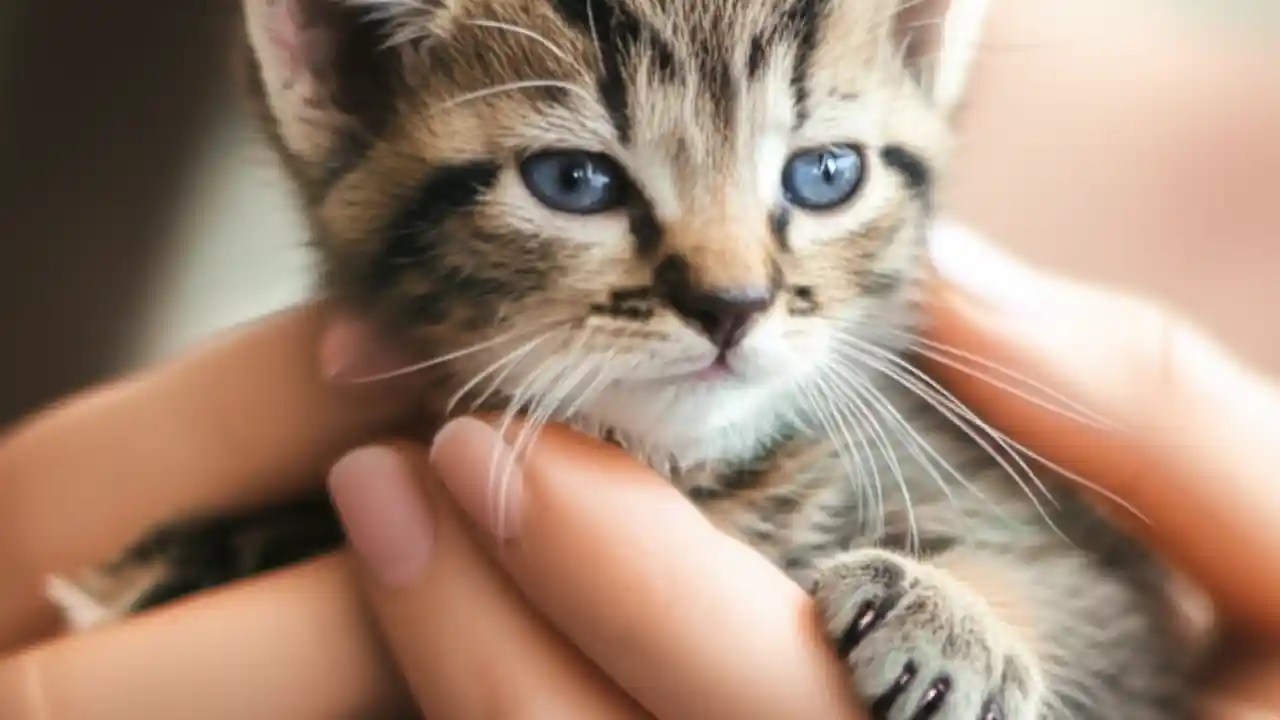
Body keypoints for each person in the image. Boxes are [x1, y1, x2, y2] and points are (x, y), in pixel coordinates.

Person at [3, 1, 1279, 716]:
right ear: (351, 78)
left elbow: (1096, 618)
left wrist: (981, 636)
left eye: (818, 174)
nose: (730, 283)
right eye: (574, 177)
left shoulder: (905, 447)